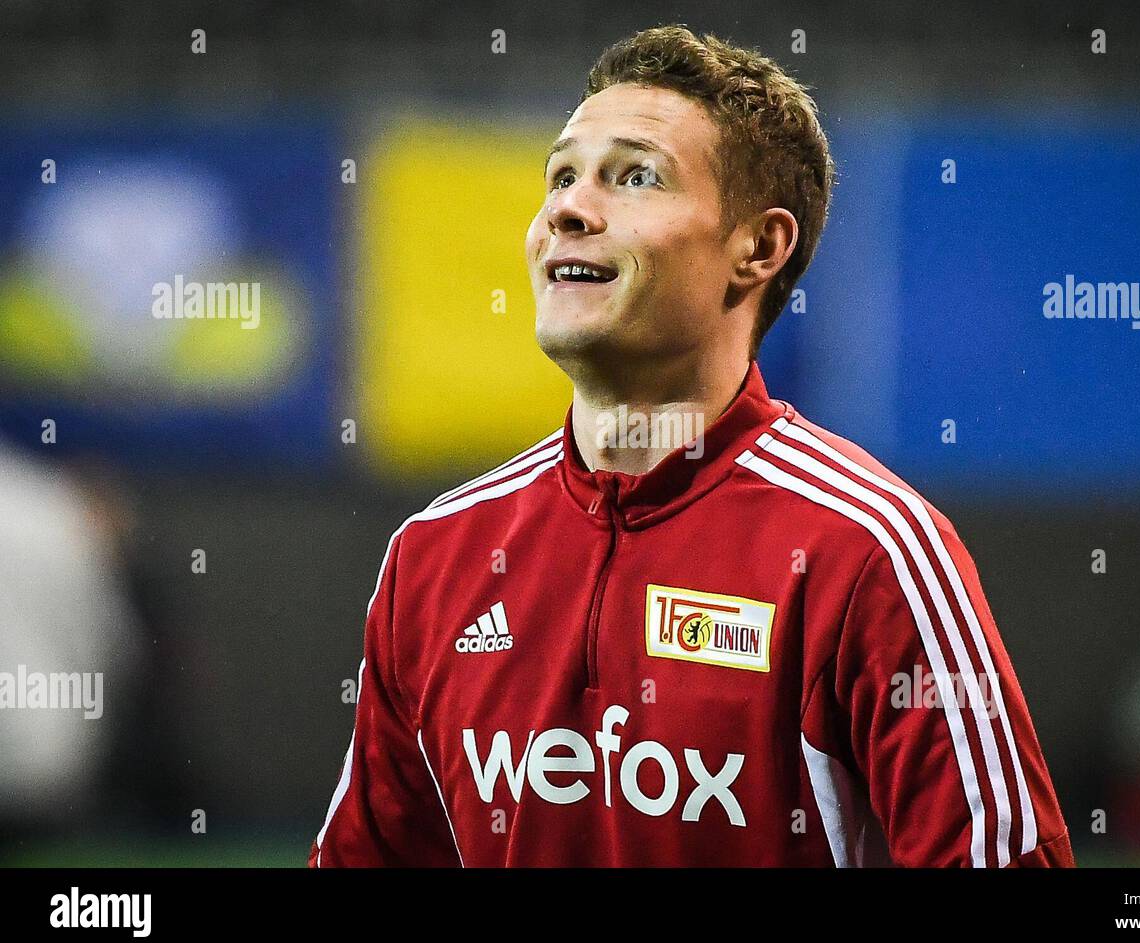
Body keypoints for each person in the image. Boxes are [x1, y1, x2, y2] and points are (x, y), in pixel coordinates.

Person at [310, 25, 1073, 867]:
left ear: (757, 248)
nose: (567, 207)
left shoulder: (870, 552)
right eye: (561, 175)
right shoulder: (435, 555)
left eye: (635, 176)